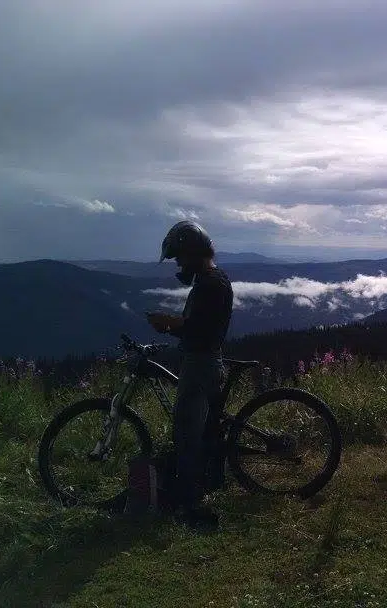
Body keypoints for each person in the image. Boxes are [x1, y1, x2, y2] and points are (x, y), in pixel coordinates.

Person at [146, 220, 233, 532]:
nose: (179, 263)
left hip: (201, 364)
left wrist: (169, 324)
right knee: (207, 428)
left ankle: (188, 503)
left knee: (186, 431)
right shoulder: (212, 279)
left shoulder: (209, 285)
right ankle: (209, 484)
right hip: (204, 359)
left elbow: (199, 329)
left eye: (180, 257)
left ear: (193, 253)